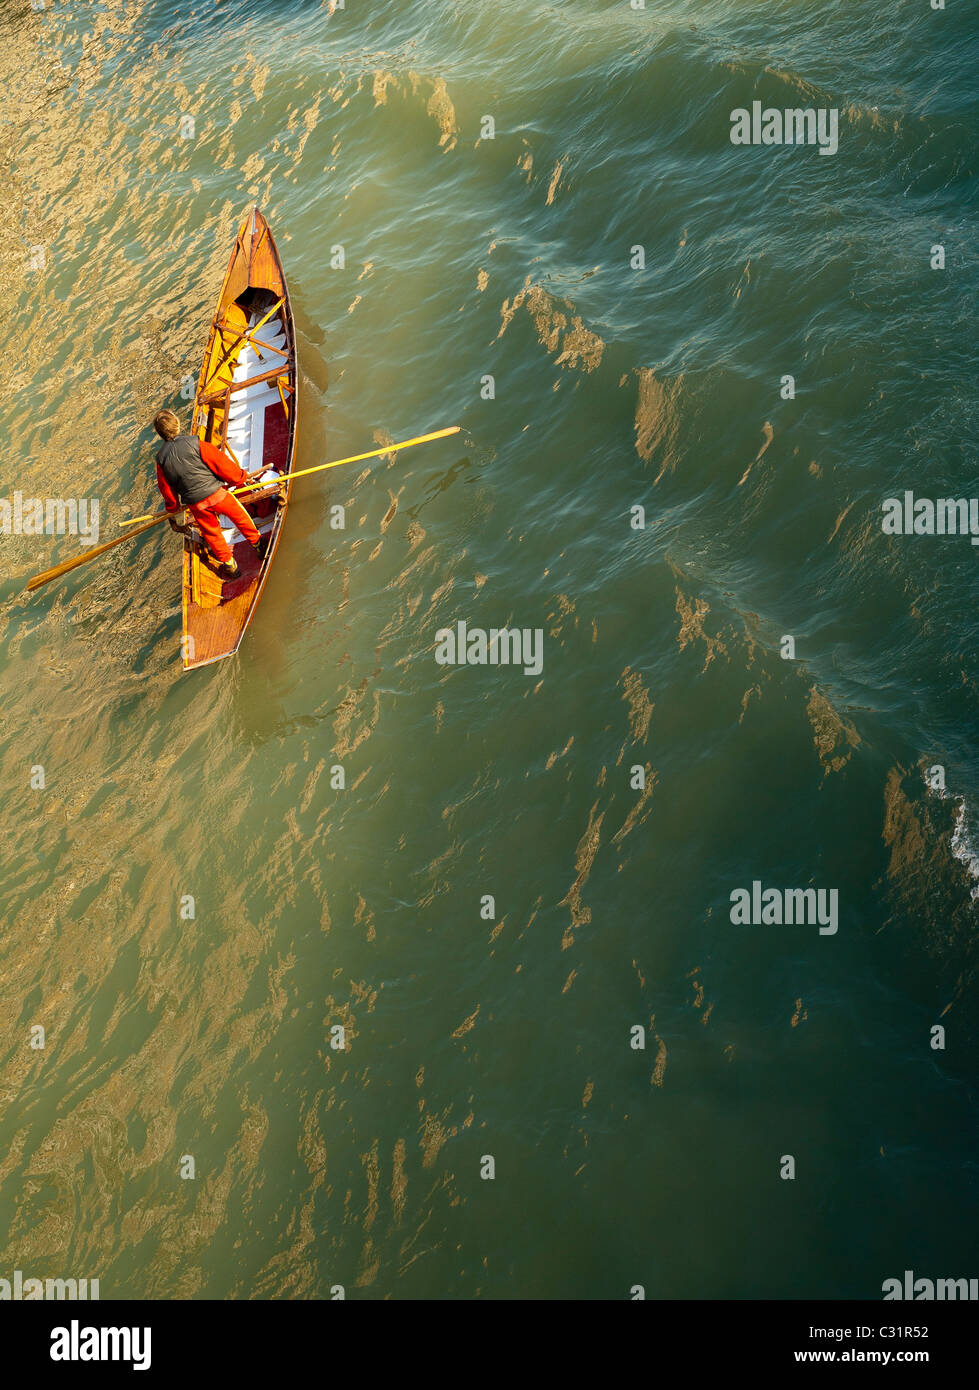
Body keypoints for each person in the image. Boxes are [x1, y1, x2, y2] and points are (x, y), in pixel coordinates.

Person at [152, 408, 270, 578]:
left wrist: (173, 507)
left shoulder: (161, 460)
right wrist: (239, 478)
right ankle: (258, 545)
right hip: (217, 493)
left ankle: (229, 565)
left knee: (212, 533)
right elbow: (221, 464)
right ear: (177, 425)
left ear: (159, 434)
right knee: (240, 517)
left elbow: (166, 490)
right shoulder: (196, 444)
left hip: (196, 503)